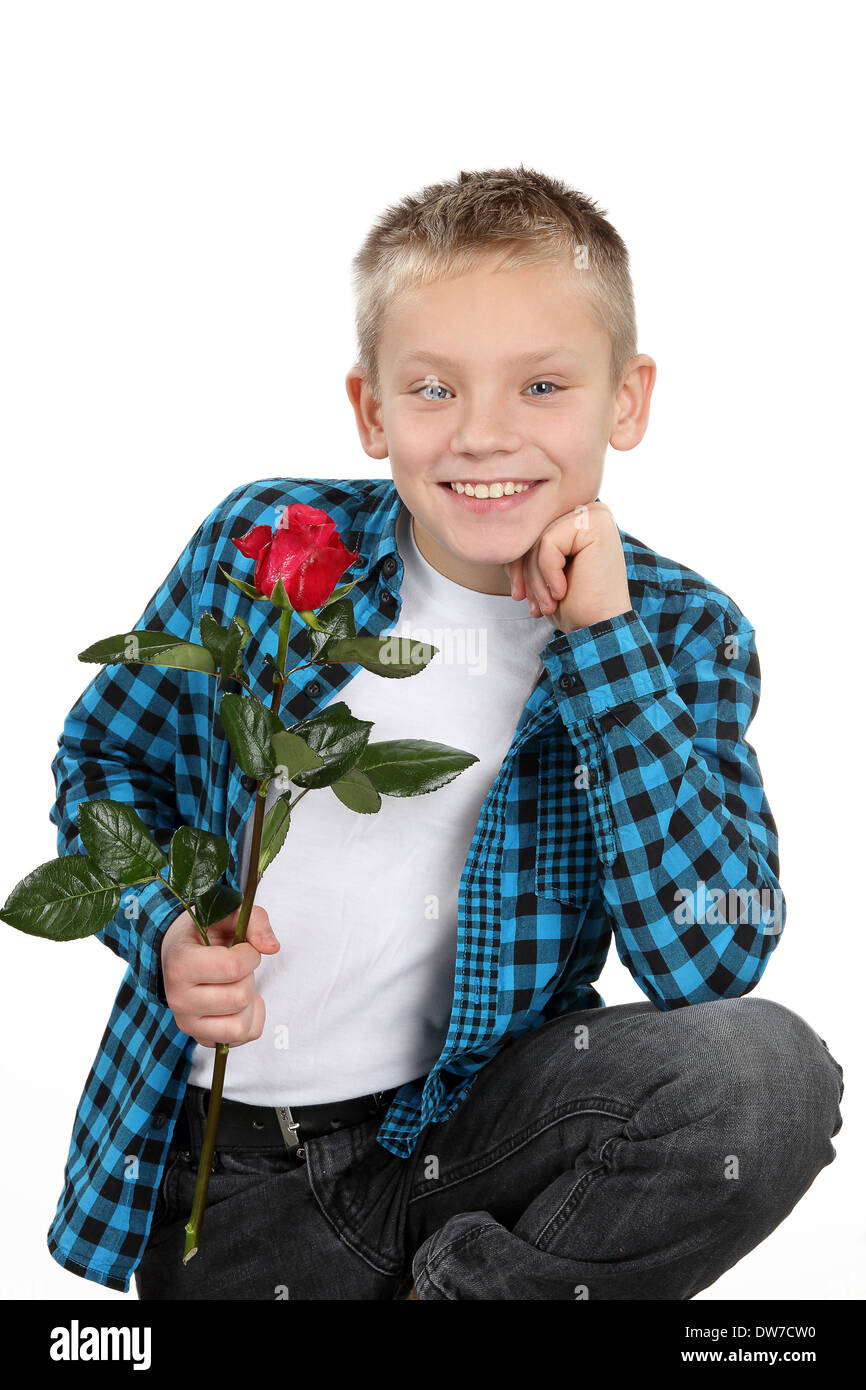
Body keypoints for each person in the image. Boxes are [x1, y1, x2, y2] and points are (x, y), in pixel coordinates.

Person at [47, 166, 843, 1300]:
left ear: (626, 399)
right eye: (431, 388)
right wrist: (165, 928)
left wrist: (603, 642)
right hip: (242, 1180)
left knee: (762, 1075)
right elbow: (106, 766)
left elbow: (707, 957)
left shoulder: (679, 629)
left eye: (541, 386)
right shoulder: (262, 540)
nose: (481, 436)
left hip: (476, 1151)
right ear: (370, 408)